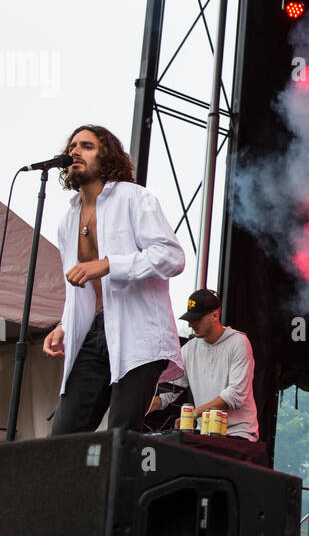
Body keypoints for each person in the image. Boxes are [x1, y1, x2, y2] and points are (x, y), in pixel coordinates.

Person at [41, 125, 185, 434]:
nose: (75, 152)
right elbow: (78, 290)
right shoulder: (67, 221)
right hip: (95, 331)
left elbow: (172, 256)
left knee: (121, 436)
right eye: (73, 146)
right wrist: (64, 325)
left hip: (139, 331)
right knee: (64, 436)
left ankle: (117, 483)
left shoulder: (134, 197)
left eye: (87, 146)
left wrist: (108, 265)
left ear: (107, 156)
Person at [149, 289, 259, 441]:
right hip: (205, 432)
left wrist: (194, 414)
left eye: (197, 319)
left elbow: (236, 394)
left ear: (214, 316)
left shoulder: (238, 343)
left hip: (238, 434)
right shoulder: (189, 349)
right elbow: (170, 390)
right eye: (189, 319)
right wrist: (140, 409)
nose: (190, 324)